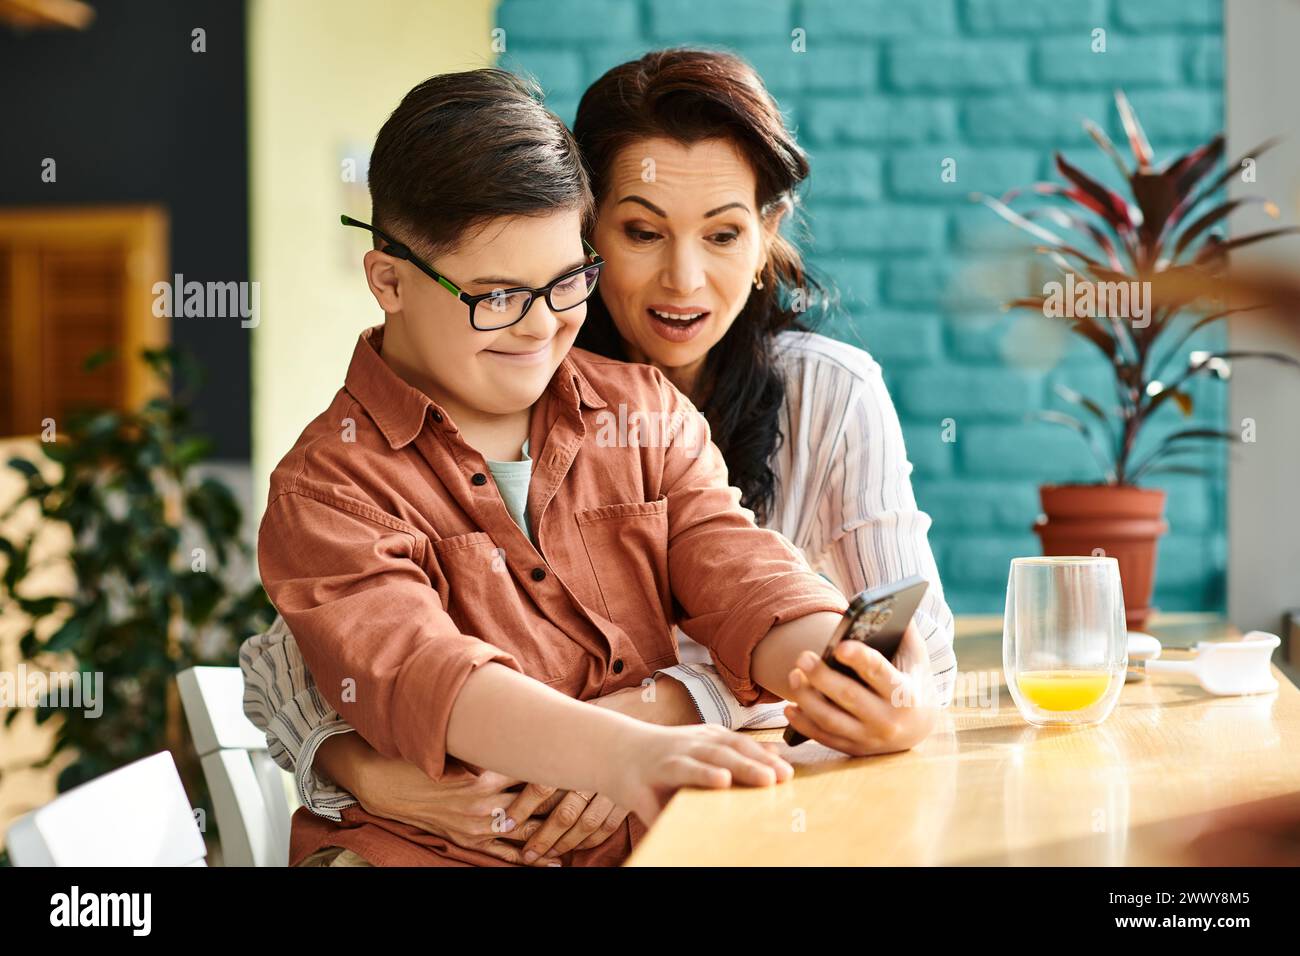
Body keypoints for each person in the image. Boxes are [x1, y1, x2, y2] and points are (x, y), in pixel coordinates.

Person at [245, 55, 951, 868]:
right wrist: (626, 753)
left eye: (566, 284)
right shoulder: (329, 487)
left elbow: (742, 570)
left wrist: (838, 663)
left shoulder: (643, 412)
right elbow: (421, 674)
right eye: (497, 297)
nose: (540, 328)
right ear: (389, 281)